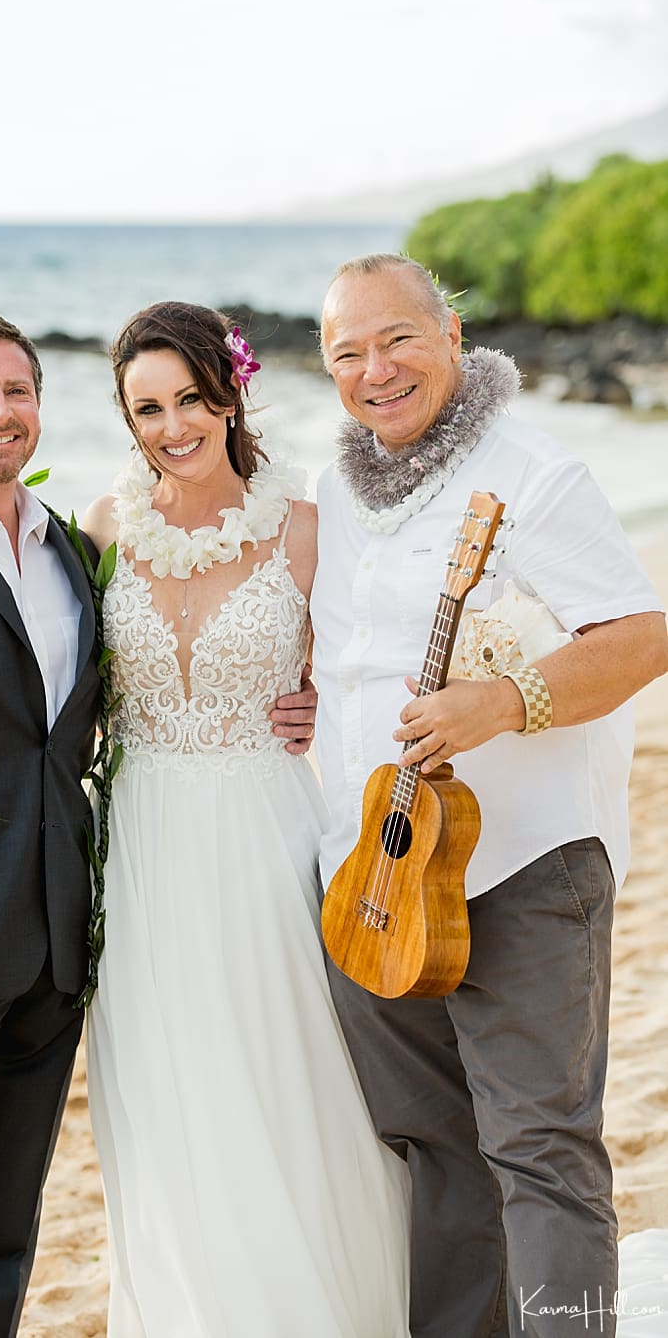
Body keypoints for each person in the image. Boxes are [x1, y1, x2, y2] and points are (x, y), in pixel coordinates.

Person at [0, 303, 319, 1338]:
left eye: (18, 390)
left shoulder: (72, 548)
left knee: (4, 1223)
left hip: (57, 943)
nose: (0, 412)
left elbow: (91, 717)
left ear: (40, 405)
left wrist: (307, 698)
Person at [311, 253, 668, 1338]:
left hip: (523, 866)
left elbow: (642, 635)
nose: (376, 370)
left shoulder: (535, 474)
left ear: (453, 334)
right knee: (435, 1148)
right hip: (374, 875)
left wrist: (505, 702)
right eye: (348, 353)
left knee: (540, 1150)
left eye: (398, 339)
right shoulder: (334, 488)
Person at [81, 300, 411, 1337]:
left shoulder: (306, 528)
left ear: (231, 393)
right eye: (148, 409)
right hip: (140, 846)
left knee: (287, 1074)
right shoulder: (100, 530)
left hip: (266, 833)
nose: (173, 426)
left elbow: (371, 673)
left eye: (190, 399)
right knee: (169, 1088)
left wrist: (317, 702)